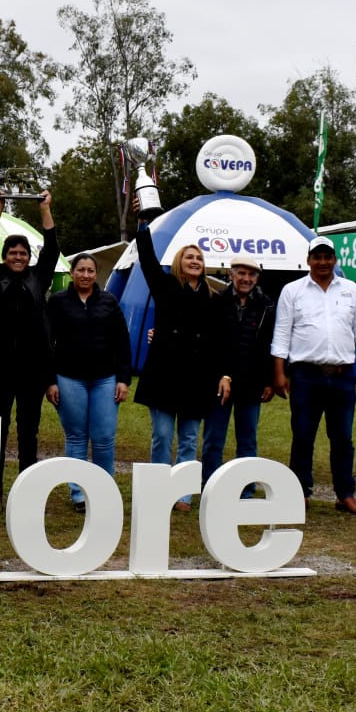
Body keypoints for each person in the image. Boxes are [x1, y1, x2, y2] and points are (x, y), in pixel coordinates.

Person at [131, 212, 230, 512]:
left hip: (197, 379)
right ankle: (160, 489)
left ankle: (182, 495)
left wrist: (224, 374)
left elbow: (220, 341)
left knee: (188, 439)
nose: (194, 261)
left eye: (198, 258)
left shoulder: (215, 298)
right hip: (164, 376)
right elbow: (147, 259)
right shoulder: (165, 287)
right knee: (162, 436)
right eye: (189, 257)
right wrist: (142, 225)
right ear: (179, 262)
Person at [271, 236, 356, 515]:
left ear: (335, 259)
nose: (322, 262)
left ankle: (345, 494)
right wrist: (279, 373)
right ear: (308, 260)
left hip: (342, 377)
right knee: (303, 436)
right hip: (305, 376)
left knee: (342, 438)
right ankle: (300, 492)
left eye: (327, 257)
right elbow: (281, 334)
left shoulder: (351, 290)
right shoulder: (292, 291)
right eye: (317, 257)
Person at [0, 188, 59, 484]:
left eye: (23, 253)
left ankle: (26, 487)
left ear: (29, 257)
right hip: (0, 365)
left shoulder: (38, 277)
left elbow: (51, 249)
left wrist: (45, 209)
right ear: (5, 257)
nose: (18, 257)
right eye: (12, 253)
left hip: (32, 367)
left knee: (29, 429)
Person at [44, 253, 132, 512]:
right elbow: (46, 344)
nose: (85, 275)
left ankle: (104, 490)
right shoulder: (58, 302)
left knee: (104, 438)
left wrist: (123, 379)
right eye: (80, 270)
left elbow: (123, 343)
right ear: (71, 273)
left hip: (105, 379)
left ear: (96, 274)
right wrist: (50, 381)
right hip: (69, 378)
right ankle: (79, 494)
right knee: (77, 437)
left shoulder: (109, 301)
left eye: (90, 270)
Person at [200, 255, 275, 499]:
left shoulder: (266, 305)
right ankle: (210, 487)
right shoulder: (216, 301)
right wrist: (221, 374)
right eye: (241, 273)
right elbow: (210, 344)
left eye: (251, 274)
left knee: (248, 440)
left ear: (257, 278)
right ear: (232, 274)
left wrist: (268, 380)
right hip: (218, 382)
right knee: (214, 438)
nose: (246, 279)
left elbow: (268, 345)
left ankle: (246, 489)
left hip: (252, 383)